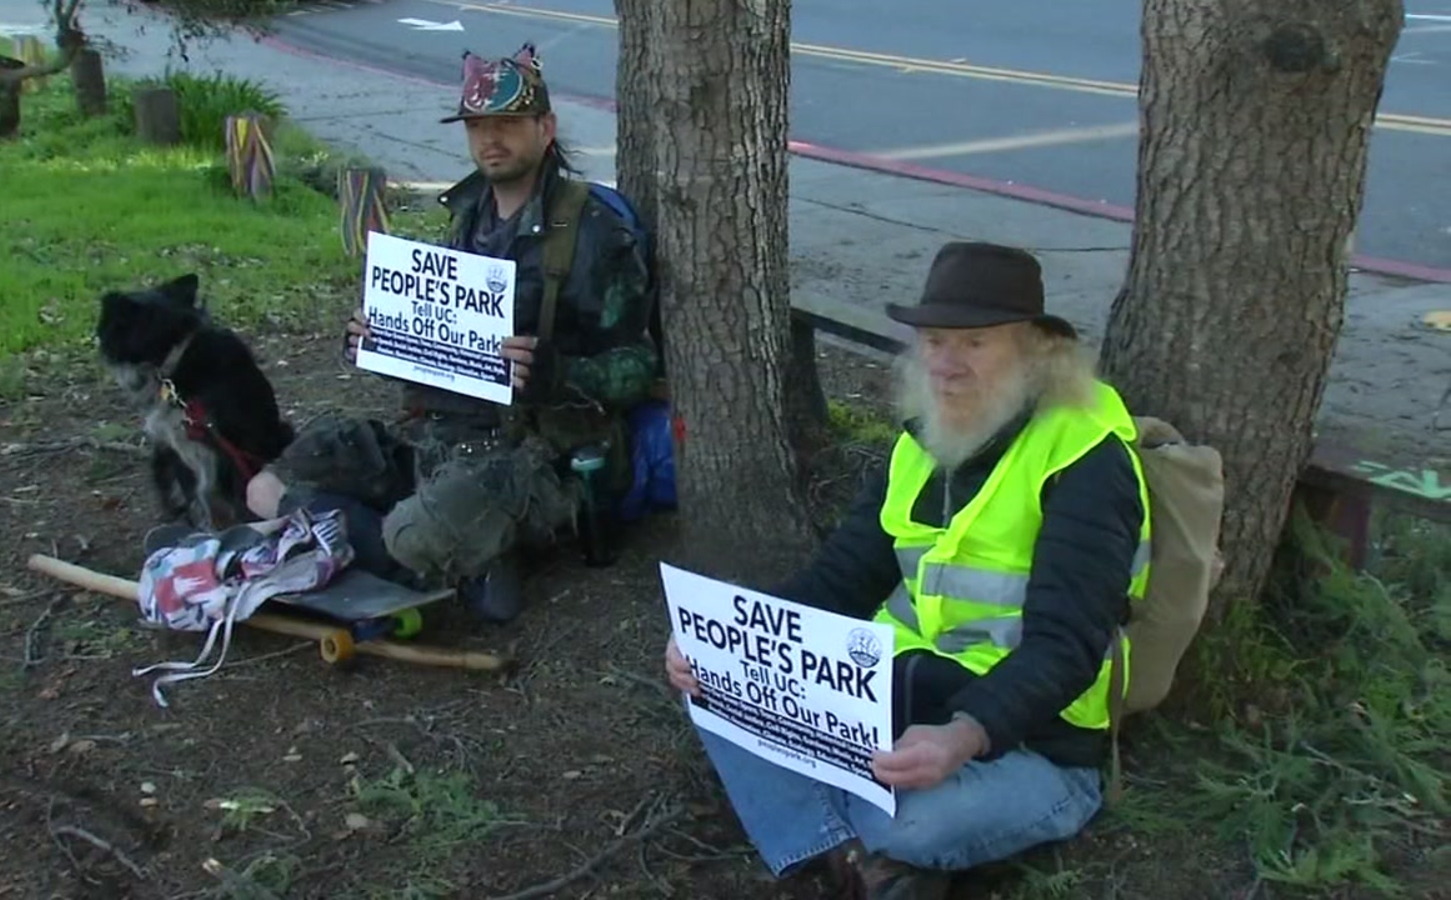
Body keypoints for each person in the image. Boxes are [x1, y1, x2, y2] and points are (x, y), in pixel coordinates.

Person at [664, 241, 1150, 899]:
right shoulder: (924, 438)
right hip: (899, 700)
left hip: (1035, 742)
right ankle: (854, 865)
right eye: (935, 341)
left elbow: (1068, 648)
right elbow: (840, 579)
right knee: (719, 691)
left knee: (916, 823)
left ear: (1037, 350)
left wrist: (964, 735)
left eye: (974, 343)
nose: (946, 365)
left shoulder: (1086, 457)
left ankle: (841, 844)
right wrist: (731, 639)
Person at [247, 43, 660, 623]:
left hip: (539, 453)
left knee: (409, 536)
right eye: (477, 126)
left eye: (508, 124)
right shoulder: (470, 216)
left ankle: (421, 544)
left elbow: (639, 366)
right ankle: (446, 542)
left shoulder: (593, 232)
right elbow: (448, 341)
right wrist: (380, 340)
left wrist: (557, 373)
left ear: (546, 129)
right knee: (279, 473)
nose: (490, 139)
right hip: (443, 435)